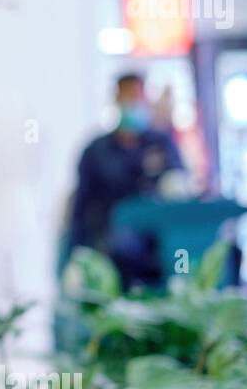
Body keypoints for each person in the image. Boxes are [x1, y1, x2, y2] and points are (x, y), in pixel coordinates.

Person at [68, 72, 186, 288]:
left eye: (137, 97)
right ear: (116, 100)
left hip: (159, 235)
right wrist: (75, 254)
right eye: (127, 97)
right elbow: (81, 205)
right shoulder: (96, 151)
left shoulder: (161, 143)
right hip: (113, 239)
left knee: (185, 253)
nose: (133, 103)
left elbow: (180, 185)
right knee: (124, 247)